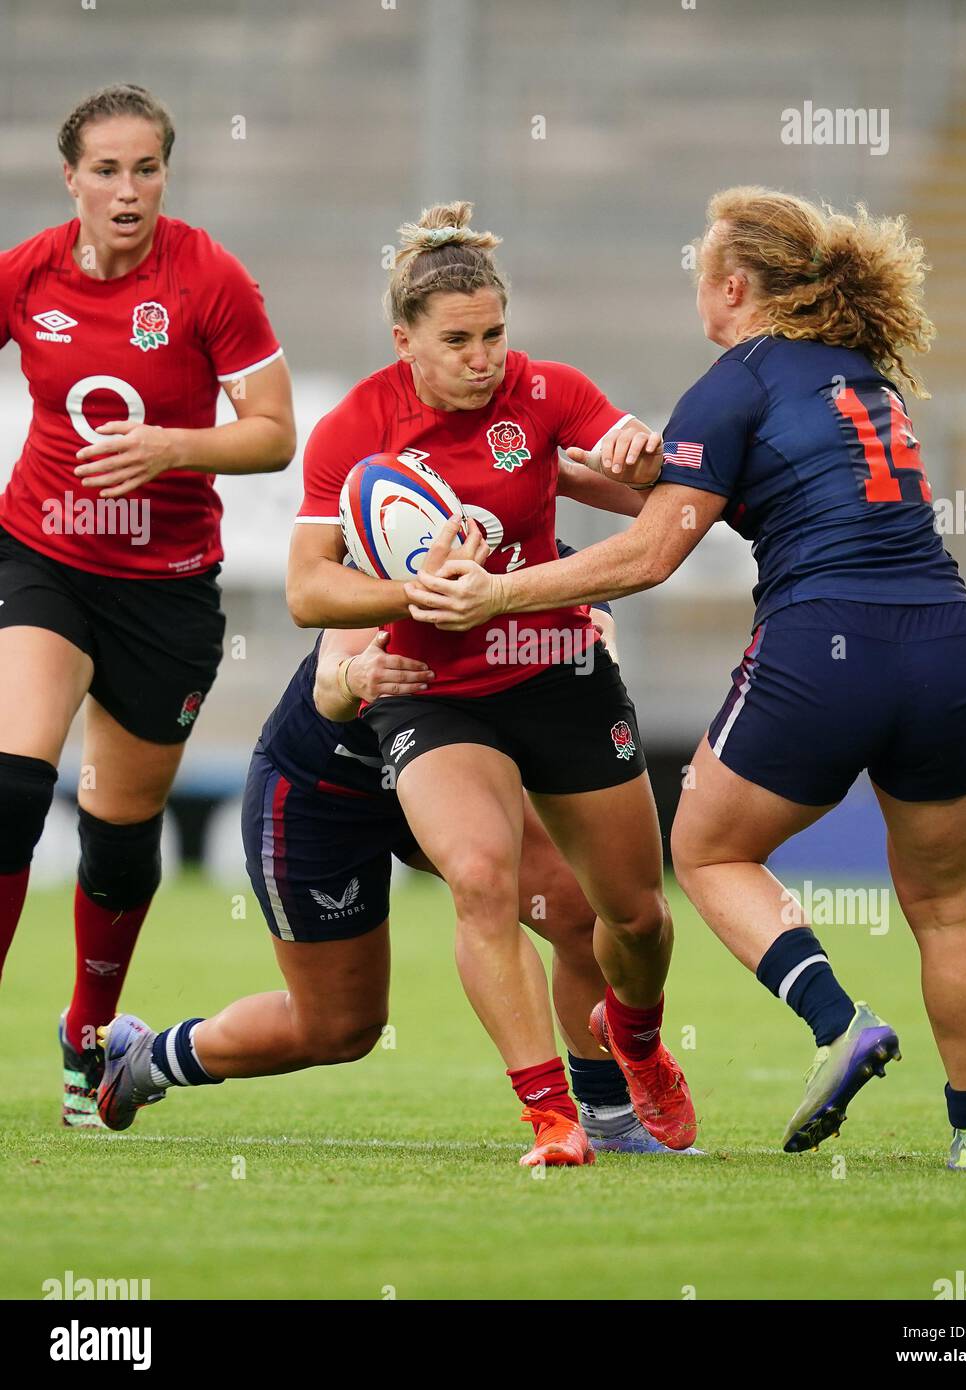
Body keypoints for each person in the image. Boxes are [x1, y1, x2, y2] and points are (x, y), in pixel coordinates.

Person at [407, 185, 966, 1172]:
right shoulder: (861, 378)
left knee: (703, 852)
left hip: (826, 640)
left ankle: (837, 1022)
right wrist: (552, 470)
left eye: (699, 260)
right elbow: (715, 503)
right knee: (945, 905)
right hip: (949, 645)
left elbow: (655, 555)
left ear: (731, 284)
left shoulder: (734, 379)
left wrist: (497, 593)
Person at [283, 201, 697, 1165]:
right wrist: (415, 591)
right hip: (434, 689)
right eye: (458, 340)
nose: (484, 358)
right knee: (479, 879)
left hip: (556, 668)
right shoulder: (355, 428)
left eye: (495, 335)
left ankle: (635, 1043)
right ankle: (552, 1116)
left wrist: (639, 452)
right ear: (404, 340)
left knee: (629, 917)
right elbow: (308, 591)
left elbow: (644, 479)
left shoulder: (546, 391)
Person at [96, 528, 694, 1160]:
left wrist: (597, 654)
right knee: (340, 1030)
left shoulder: (547, 559)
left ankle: (605, 1115)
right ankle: (148, 1059)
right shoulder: (385, 569)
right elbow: (330, 688)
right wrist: (357, 674)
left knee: (578, 915)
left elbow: (600, 639)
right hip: (323, 798)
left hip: (447, 777)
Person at [0, 84, 296, 1126]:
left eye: (146, 170)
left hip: (165, 592)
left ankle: (89, 1032)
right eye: (107, 170)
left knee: (118, 833)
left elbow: (273, 433)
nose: (127, 191)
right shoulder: (26, 273)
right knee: (10, 780)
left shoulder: (209, 276)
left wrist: (176, 445)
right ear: (70, 178)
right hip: (43, 559)